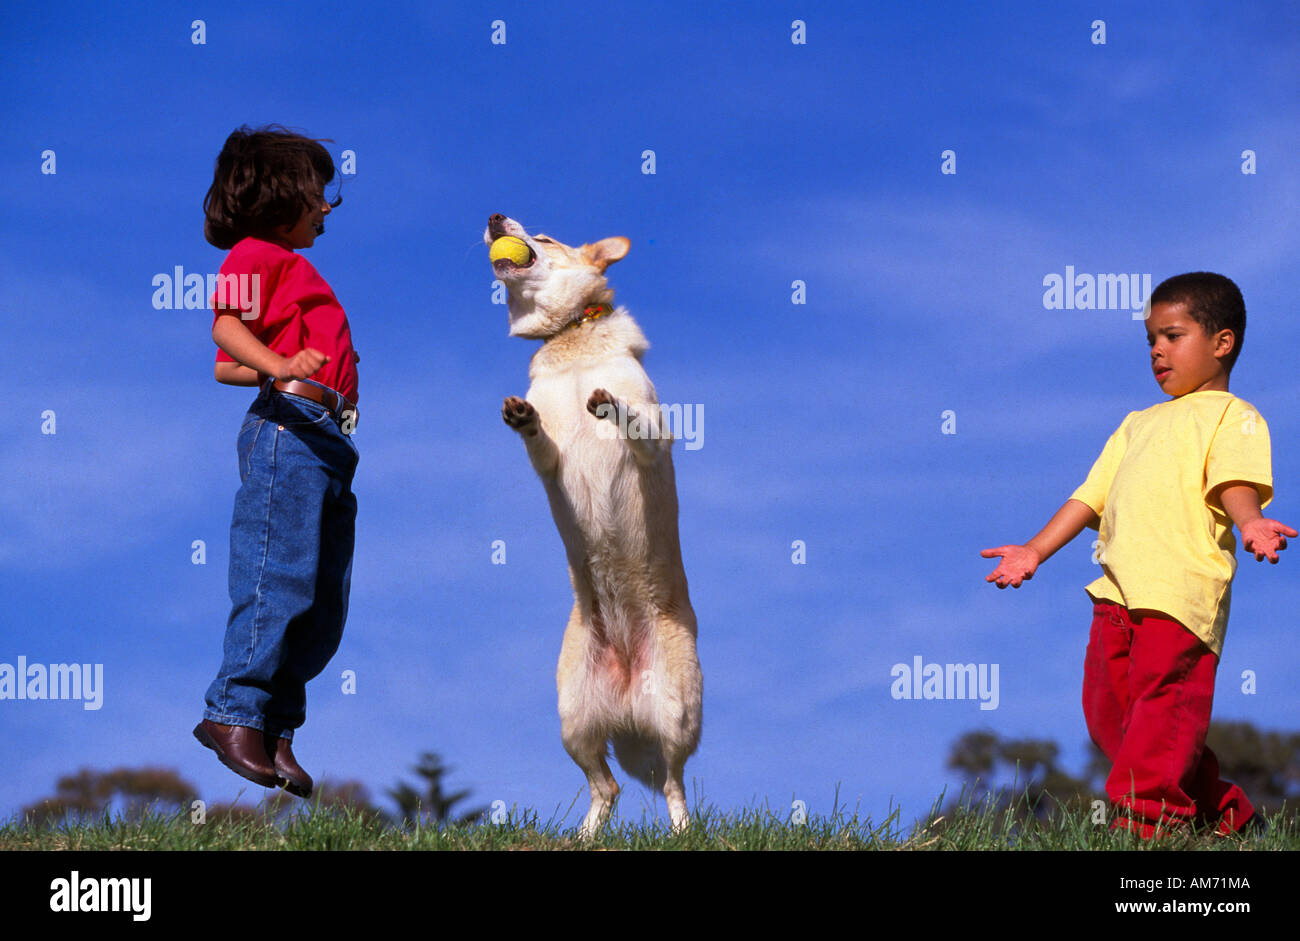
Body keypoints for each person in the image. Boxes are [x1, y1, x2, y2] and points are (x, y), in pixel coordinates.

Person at [982, 272, 1294, 838]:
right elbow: (1088, 497)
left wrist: (1250, 524)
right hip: (1116, 594)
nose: (1157, 350)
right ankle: (1226, 816)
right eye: (1151, 339)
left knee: (1160, 711)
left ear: (1222, 342)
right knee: (1112, 718)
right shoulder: (1136, 423)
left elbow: (1235, 483)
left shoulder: (1234, 415)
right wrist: (1034, 550)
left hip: (1181, 595)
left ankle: (1147, 830)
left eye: (1172, 336)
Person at [194, 125, 361, 799]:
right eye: (317, 196)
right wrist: (284, 367)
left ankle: (276, 726)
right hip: (289, 428)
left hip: (328, 437)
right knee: (276, 573)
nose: (326, 209)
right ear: (281, 194)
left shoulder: (294, 270)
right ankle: (231, 711)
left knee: (322, 602)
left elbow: (224, 369)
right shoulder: (256, 253)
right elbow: (226, 333)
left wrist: (274, 369)